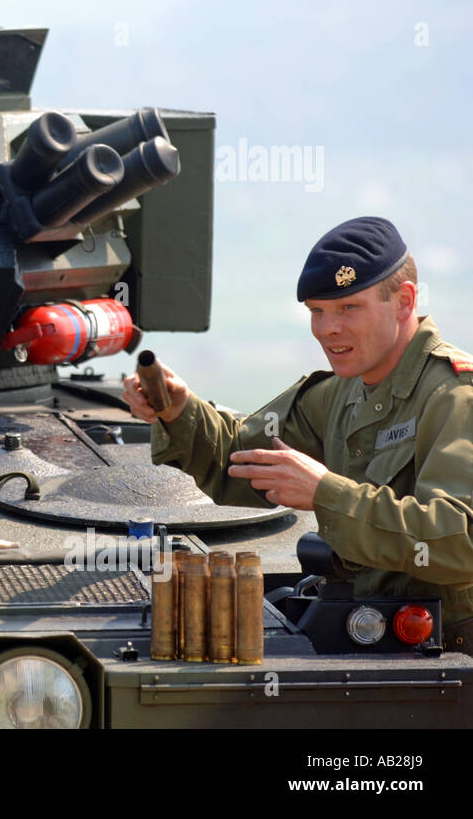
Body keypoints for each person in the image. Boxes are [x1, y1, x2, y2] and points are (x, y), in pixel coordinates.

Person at [122, 217, 473, 654]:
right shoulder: (344, 391)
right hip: (365, 638)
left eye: (348, 308)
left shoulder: (454, 396)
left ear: (403, 302)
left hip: (444, 663)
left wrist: (326, 493)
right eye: (317, 311)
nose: (328, 329)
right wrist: (178, 411)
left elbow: (462, 542)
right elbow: (239, 455)